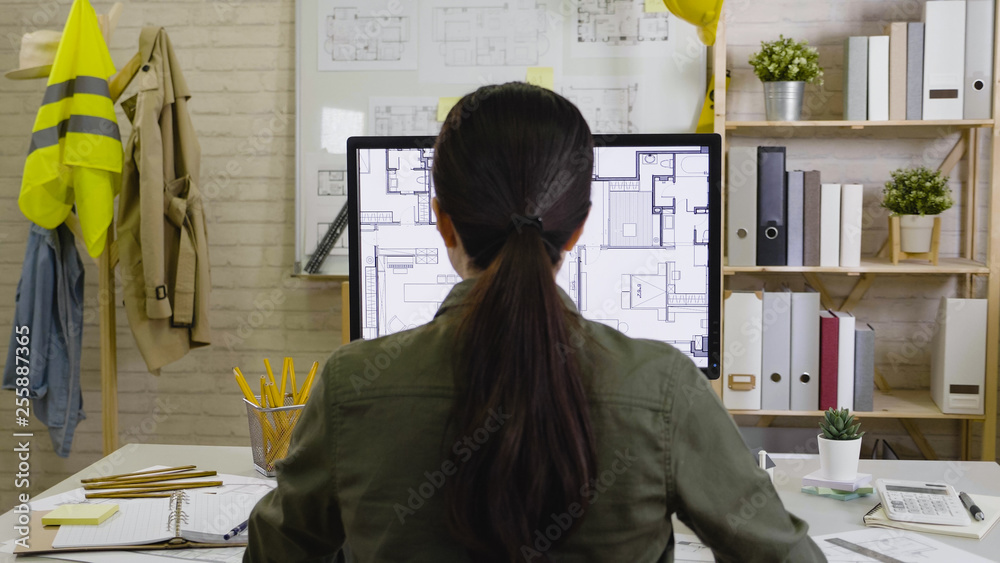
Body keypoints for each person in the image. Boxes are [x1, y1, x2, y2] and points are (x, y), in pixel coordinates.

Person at [245, 82, 824, 562]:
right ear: (577, 229)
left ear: (442, 221)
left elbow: (274, 554)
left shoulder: (350, 385)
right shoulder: (665, 388)